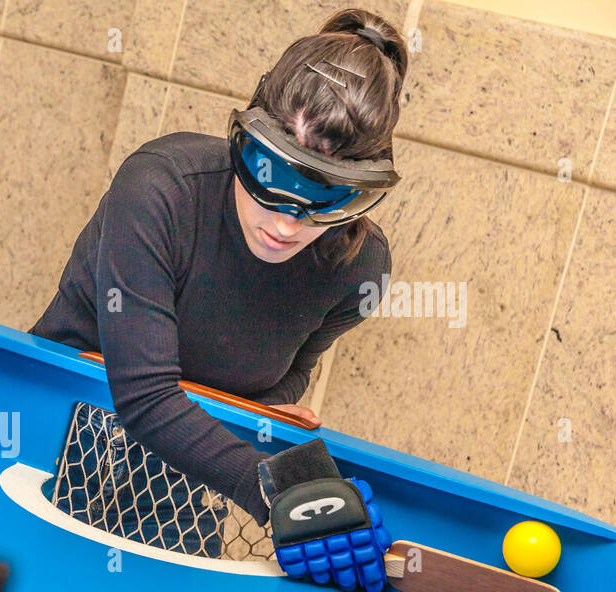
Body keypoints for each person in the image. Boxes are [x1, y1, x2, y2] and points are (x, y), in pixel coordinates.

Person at [30, 8, 407, 528]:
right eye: (270, 180)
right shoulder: (161, 188)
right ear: (243, 141)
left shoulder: (359, 269)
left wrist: (263, 414)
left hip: (182, 489)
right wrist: (280, 490)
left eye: (325, 200)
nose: (287, 225)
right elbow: (144, 395)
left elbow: (293, 368)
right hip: (54, 448)